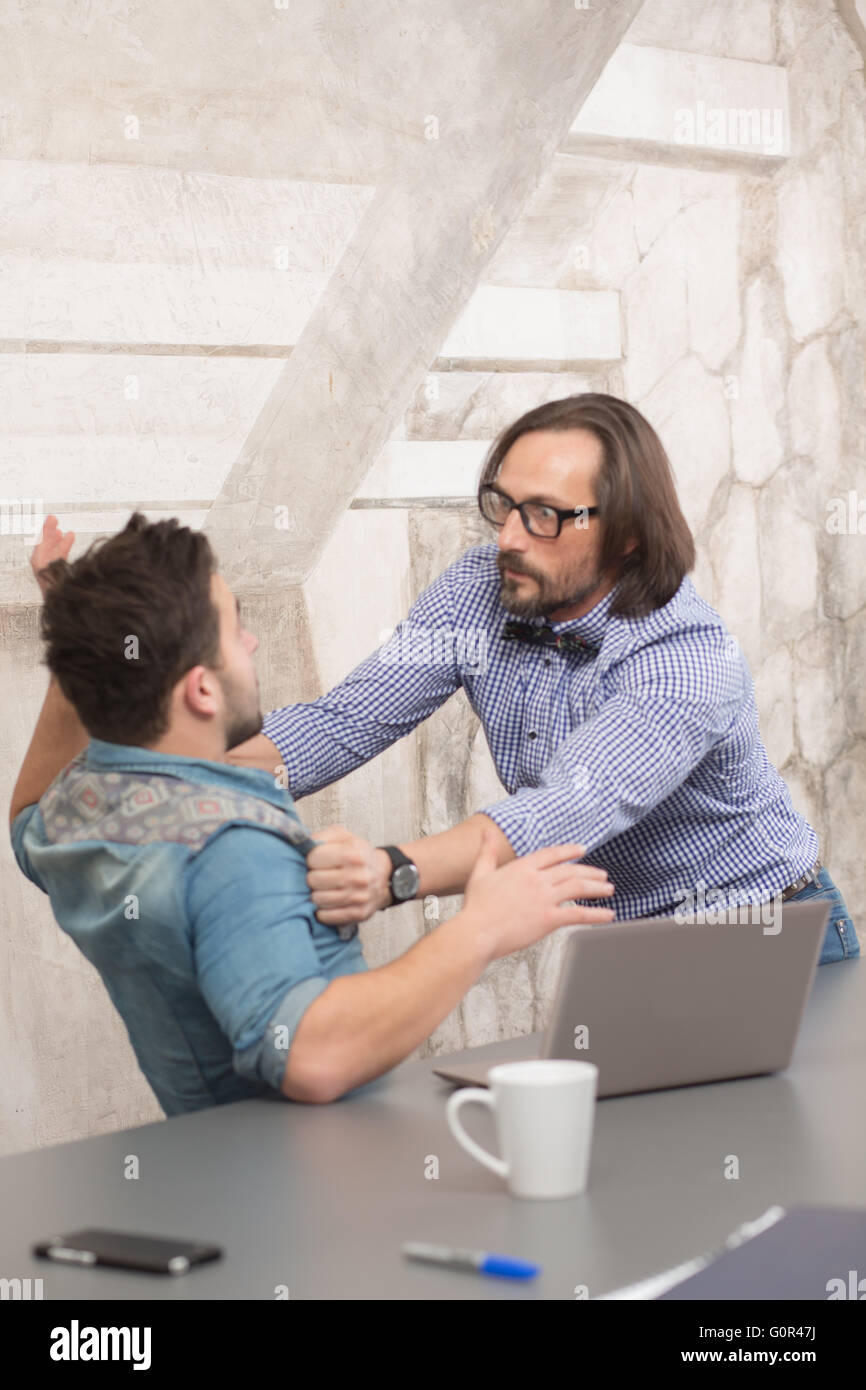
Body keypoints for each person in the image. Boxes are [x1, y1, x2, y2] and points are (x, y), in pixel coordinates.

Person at [8, 513, 615, 1116]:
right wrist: (479, 930)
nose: (251, 642)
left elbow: (26, 809)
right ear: (201, 691)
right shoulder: (230, 850)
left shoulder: (76, 813)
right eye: (235, 629)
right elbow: (309, 1057)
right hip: (311, 1189)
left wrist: (84, 633)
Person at [229, 393, 859, 966]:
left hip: (768, 933)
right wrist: (177, 773)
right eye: (503, 505)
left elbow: (562, 811)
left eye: (545, 516)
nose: (507, 538)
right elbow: (341, 722)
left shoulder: (686, 657)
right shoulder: (477, 590)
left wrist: (390, 870)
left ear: (629, 535)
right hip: (633, 942)